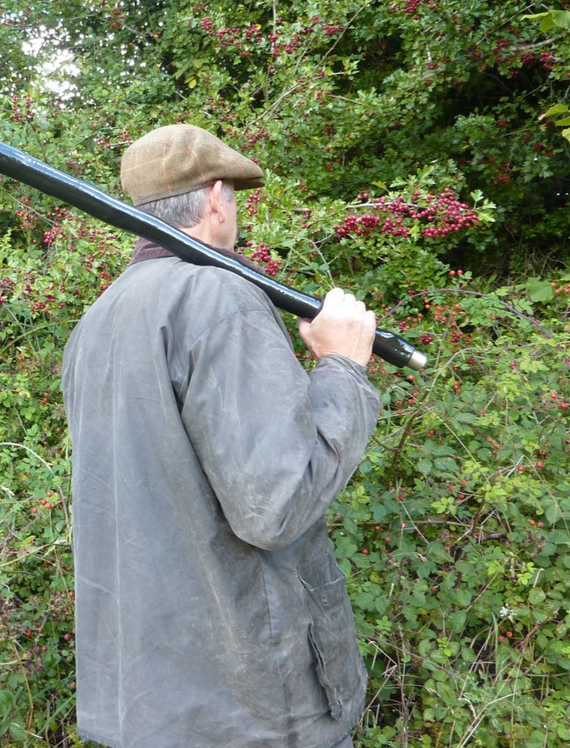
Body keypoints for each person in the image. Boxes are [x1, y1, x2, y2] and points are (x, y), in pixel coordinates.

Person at [61, 124, 382, 748]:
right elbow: (276, 508)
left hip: (151, 708)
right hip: (253, 712)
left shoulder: (96, 323)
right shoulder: (218, 299)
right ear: (214, 200)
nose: (234, 211)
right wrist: (344, 369)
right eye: (233, 197)